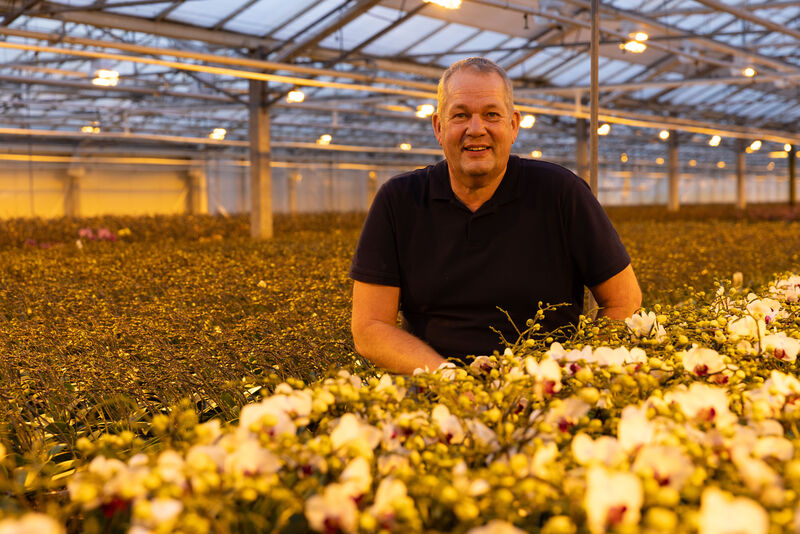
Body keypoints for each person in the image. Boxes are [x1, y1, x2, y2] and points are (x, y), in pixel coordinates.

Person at [349, 57, 641, 374]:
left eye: (491, 115)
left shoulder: (560, 192)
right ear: (438, 127)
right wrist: (448, 377)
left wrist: (571, 371)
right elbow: (370, 326)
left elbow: (624, 301)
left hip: (549, 399)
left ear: (513, 125)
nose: (476, 129)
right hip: (435, 394)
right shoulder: (399, 201)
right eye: (460, 115)